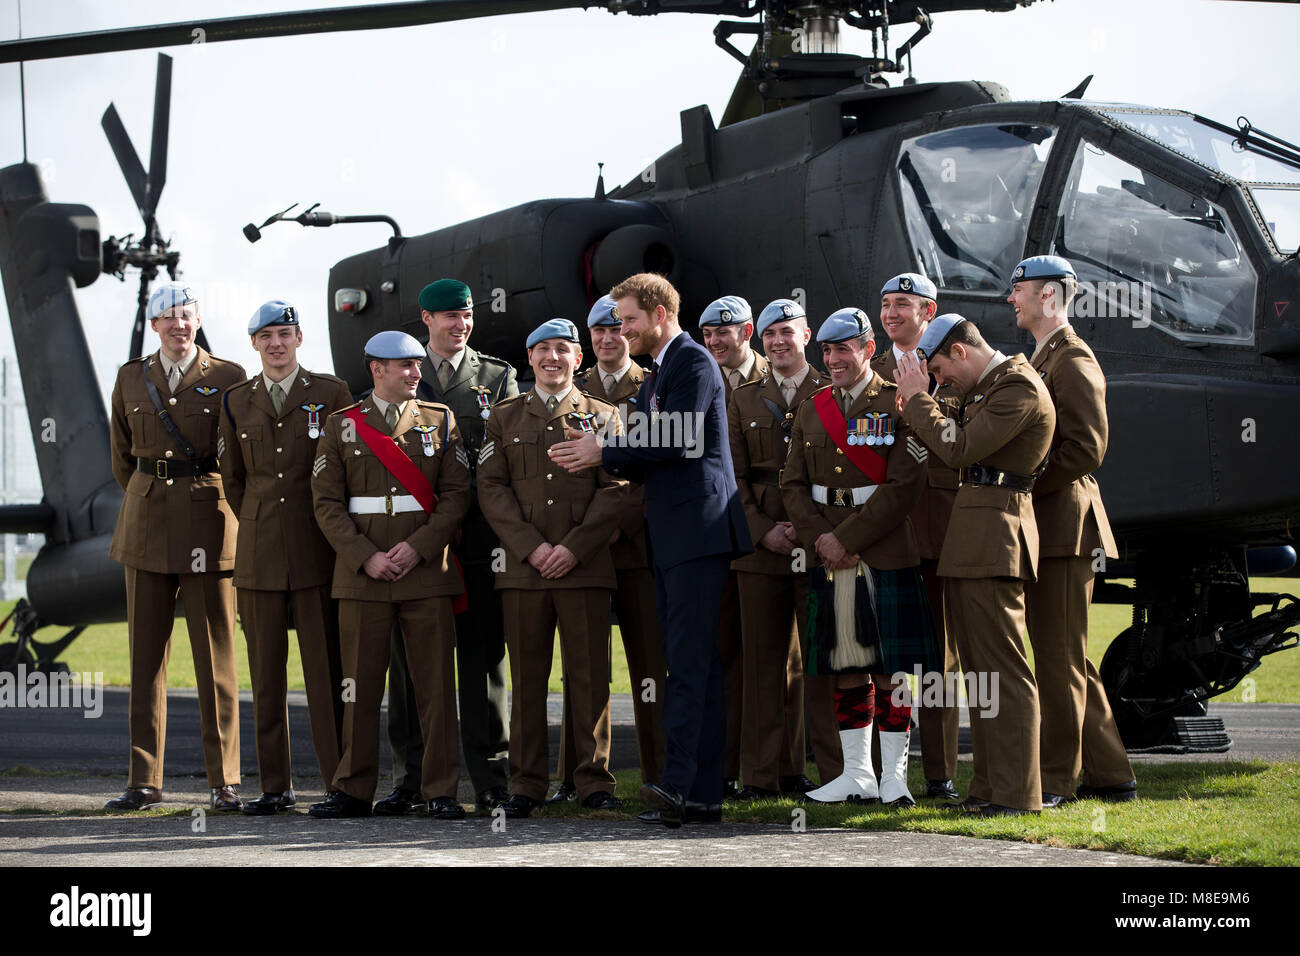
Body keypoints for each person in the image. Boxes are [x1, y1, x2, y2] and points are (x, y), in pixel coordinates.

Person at [550, 273, 753, 828]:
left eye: (630, 319)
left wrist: (604, 450)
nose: (623, 329)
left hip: (697, 532)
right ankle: (701, 795)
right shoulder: (666, 369)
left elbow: (680, 438)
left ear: (660, 314)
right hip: (677, 534)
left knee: (689, 665)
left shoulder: (690, 362)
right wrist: (605, 448)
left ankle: (684, 789)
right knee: (693, 665)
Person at [894, 314, 1056, 816]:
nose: (940, 381)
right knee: (981, 676)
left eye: (941, 369)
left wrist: (921, 398)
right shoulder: (987, 389)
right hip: (972, 535)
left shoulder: (1018, 388)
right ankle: (989, 788)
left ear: (960, 352)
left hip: (996, 535)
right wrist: (927, 397)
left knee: (1003, 671)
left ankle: (1016, 793)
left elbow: (957, 447)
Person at [308, 330, 470, 819]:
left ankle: (439, 790)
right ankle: (352, 789)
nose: (416, 374)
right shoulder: (341, 427)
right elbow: (326, 503)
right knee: (358, 686)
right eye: (405, 366)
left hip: (424, 573)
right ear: (376, 369)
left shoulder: (440, 421)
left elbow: (458, 495)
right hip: (364, 576)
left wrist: (417, 548)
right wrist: (365, 556)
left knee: (436, 687)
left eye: (418, 365)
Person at [477, 318, 629, 817]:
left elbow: (619, 489)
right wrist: (532, 547)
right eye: (542, 349)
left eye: (563, 349)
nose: (552, 358)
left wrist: (573, 548)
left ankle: (593, 781)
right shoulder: (503, 417)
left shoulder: (604, 416)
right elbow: (491, 489)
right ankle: (526, 784)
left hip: (583, 567)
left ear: (577, 359)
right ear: (529, 358)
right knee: (529, 678)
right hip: (525, 570)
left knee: (589, 677)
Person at [781, 307, 932, 807]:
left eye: (843, 349)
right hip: (830, 551)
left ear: (868, 349)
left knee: (891, 668)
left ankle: (895, 777)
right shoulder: (812, 406)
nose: (833, 359)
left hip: (882, 548)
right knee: (848, 665)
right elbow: (793, 484)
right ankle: (858, 775)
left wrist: (846, 540)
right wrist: (821, 538)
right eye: (827, 351)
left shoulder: (896, 401)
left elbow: (904, 487)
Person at [105, 281, 246, 812]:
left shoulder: (229, 376)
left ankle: (224, 781)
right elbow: (121, 454)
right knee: (145, 659)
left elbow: (237, 457)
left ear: (197, 320)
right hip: (144, 524)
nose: (179, 326)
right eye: (168, 318)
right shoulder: (129, 377)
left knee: (216, 660)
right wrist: (149, 493)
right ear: (154, 325)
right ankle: (143, 780)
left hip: (208, 521)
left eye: (187, 316)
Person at [380, 278, 518, 816]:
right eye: (447, 316)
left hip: (479, 540)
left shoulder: (497, 376)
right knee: (410, 665)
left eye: (465, 315)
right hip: (413, 542)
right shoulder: (400, 370)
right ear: (426, 319)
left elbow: (503, 456)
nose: (459, 324)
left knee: (484, 661)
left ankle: (490, 780)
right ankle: (409, 780)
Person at [1009, 255, 1136, 805]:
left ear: (1050, 296)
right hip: (1054, 527)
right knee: (1069, 655)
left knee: (1059, 657)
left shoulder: (1072, 358)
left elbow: (1087, 448)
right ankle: (1111, 775)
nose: (1010, 298)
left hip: (1065, 528)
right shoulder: (1045, 355)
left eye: (1020, 289)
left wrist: (1024, 484)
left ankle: (1057, 780)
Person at [219, 300, 352, 814]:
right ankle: (275, 786)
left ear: (300, 339)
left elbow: (342, 468)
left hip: (318, 552)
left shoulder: (331, 393)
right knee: (266, 675)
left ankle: (340, 782)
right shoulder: (236, 400)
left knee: (326, 675)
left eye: (286, 333)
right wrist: (256, 524)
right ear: (254, 343)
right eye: (267, 335)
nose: (277, 343)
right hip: (258, 555)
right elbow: (233, 479)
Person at [548, 295, 667, 802]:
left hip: (640, 546)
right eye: (598, 331)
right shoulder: (575, 389)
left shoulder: (653, 386)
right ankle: (575, 778)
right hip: (587, 549)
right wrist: (590, 535)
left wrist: (614, 522)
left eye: (617, 328)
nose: (607, 338)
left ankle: (660, 775)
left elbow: (650, 471)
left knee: (650, 669)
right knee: (583, 667)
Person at [728, 297, 838, 798]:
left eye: (787, 333)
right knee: (763, 664)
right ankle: (762, 775)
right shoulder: (743, 397)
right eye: (769, 336)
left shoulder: (832, 390)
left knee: (821, 663)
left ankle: (831, 776)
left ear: (806, 336)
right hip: (761, 546)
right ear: (760, 340)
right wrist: (762, 530)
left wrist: (811, 530)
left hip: (819, 543)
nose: (778, 343)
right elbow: (729, 474)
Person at [872, 273, 962, 801]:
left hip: (942, 529)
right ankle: (887, 774)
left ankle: (941, 771)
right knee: (887, 658)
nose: (891, 314)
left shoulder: (951, 367)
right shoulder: (872, 371)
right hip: (887, 532)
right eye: (885, 305)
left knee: (940, 658)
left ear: (929, 311)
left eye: (902, 305)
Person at [698, 294, 767, 796]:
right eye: (709, 334)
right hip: (716, 534)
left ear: (748, 332)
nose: (717, 341)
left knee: (772, 658)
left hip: (768, 537)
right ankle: (723, 767)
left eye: (726, 331)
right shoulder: (702, 378)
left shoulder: (779, 378)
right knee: (720, 654)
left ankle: (776, 769)